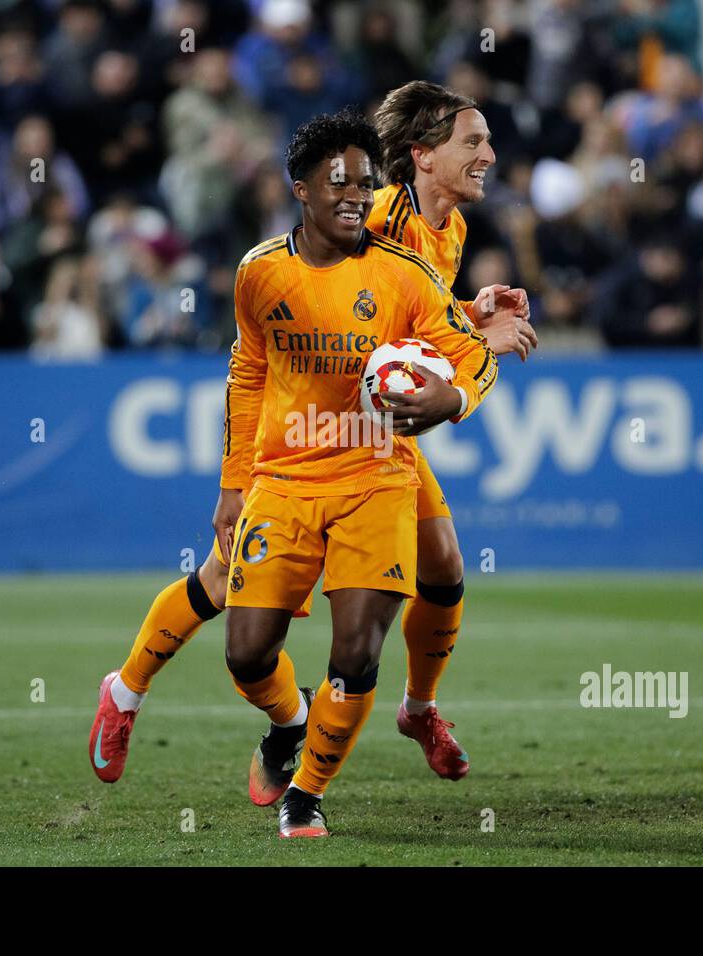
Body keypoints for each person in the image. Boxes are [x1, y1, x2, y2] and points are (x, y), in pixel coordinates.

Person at [87, 83, 534, 790]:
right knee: (224, 584)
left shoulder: (447, 231)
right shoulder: (381, 213)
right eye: (472, 143)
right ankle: (127, 690)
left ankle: (419, 709)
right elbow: (340, 303)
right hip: (304, 432)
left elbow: (399, 320)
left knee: (443, 565)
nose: (489, 155)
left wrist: (466, 317)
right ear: (422, 156)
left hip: (370, 438)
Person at [220, 110, 497, 836]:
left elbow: (470, 353)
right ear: (301, 189)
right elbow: (248, 371)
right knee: (247, 656)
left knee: (358, 647)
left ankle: (305, 795)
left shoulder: (403, 273)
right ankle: (291, 719)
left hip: (377, 476)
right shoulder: (259, 273)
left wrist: (454, 395)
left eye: (364, 184)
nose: (354, 196)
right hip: (283, 483)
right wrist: (233, 483)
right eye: (338, 182)